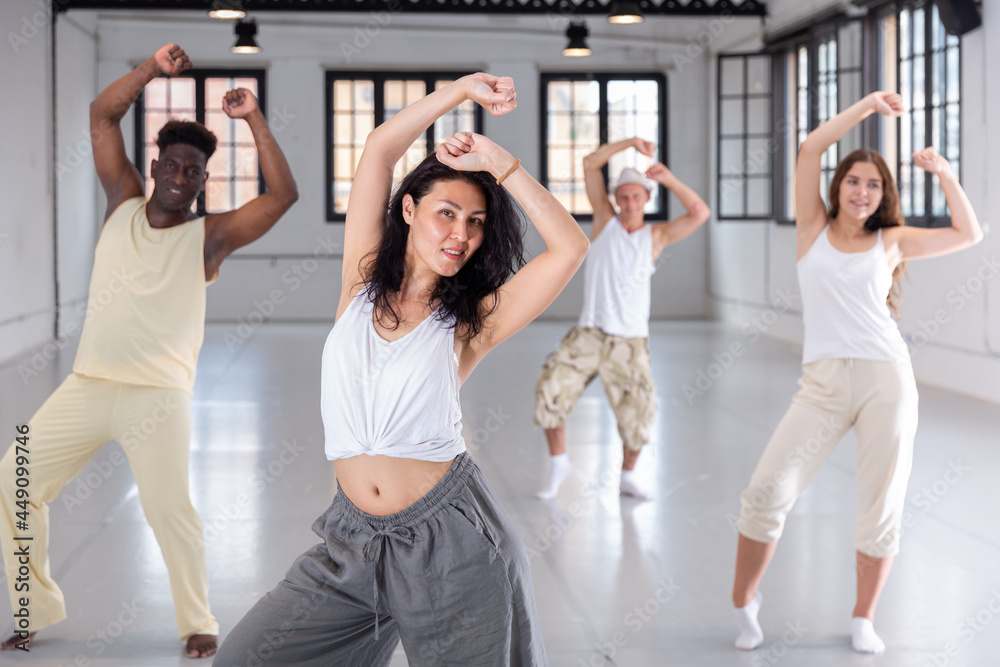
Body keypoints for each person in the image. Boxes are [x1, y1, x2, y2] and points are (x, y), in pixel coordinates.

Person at [213, 73, 589, 666]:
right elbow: (381, 150)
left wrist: (501, 164)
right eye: (446, 213)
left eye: (475, 221)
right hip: (352, 540)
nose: (460, 234)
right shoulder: (359, 284)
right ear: (408, 210)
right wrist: (462, 90)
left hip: (454, 544)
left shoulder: (469, 321)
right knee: (249, 658)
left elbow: (569, 248)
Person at [0, 43, 298, 658]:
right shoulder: (123, 202)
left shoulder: (208, 238)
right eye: (174, 166)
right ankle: (31, 609)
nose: (182, 178)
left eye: (194, 172)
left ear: (202, 181)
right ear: (157, 165)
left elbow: (282, 197)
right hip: (86, 384)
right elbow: (101, 116)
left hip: (158, 397)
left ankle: (197, 622)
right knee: (14, 479)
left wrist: (254, 120)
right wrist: (151, 71)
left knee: (171, 513)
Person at [731, 91, 982, 654]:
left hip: (885, 380)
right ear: (838, 186)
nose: (863, 192)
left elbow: (970, 234)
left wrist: (944, 173)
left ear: (883, 195)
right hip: (820, 384)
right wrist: (867, 107)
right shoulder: (811, 229)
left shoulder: (889, 241)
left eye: (874, 185)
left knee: (882, 504)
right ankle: (745, 604)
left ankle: (864, 617)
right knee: (767, 491)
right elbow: (810, 148)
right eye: (853, 181)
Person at [533, 137, 710, 501]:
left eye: (637, 196)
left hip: (629, 341)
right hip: (589, 333)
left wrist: (670, 179)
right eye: (624, 196)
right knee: (550, 390)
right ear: (616, 200)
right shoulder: (604, 222)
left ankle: (628, 476)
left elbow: (699, 213)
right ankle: (559, 463)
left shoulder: (655, 237)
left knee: (639, 413)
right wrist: (629, 143)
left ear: (646, 198)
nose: (630, 203)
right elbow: (589, 163)